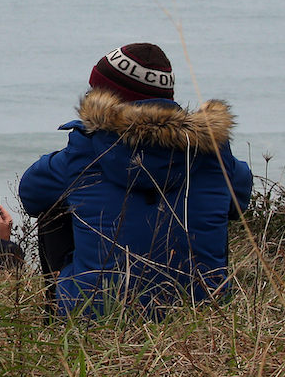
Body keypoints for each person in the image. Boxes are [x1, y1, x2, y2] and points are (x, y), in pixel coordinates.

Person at [18, 43, 253, 319]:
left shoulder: (86, 149)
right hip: (202, 313)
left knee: (53, 208)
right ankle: (202, 292)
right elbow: (239, 202)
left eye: (95, 90)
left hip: (94, 313)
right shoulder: (212, 149)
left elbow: (31, 194)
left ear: (111, 98)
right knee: (217, 205)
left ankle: (58, 313)